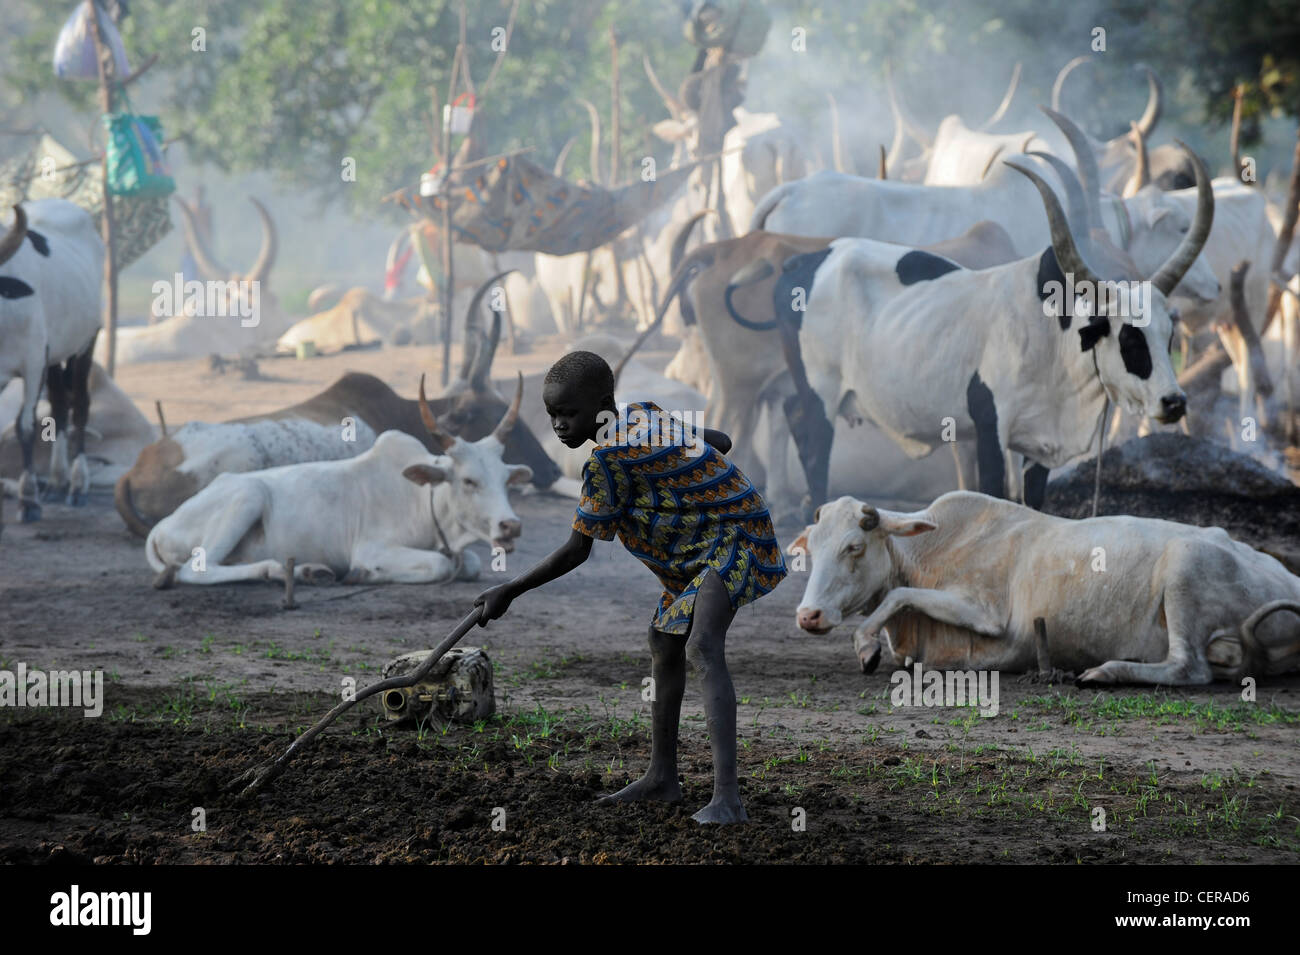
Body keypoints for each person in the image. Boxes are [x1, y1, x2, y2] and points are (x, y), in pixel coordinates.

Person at [474, 350, 787, 823]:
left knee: (701, 647)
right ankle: (663, 778)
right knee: (665, 641)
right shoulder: (643, 414)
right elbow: (719, 440)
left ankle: (728, 801)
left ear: (602, 406)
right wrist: (680, 450)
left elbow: (577, 550)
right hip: (702, 549)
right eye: (552, 414)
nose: (558, 425)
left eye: (568, 413)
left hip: (735, 539)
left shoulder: (607, 462)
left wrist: (508, 591)